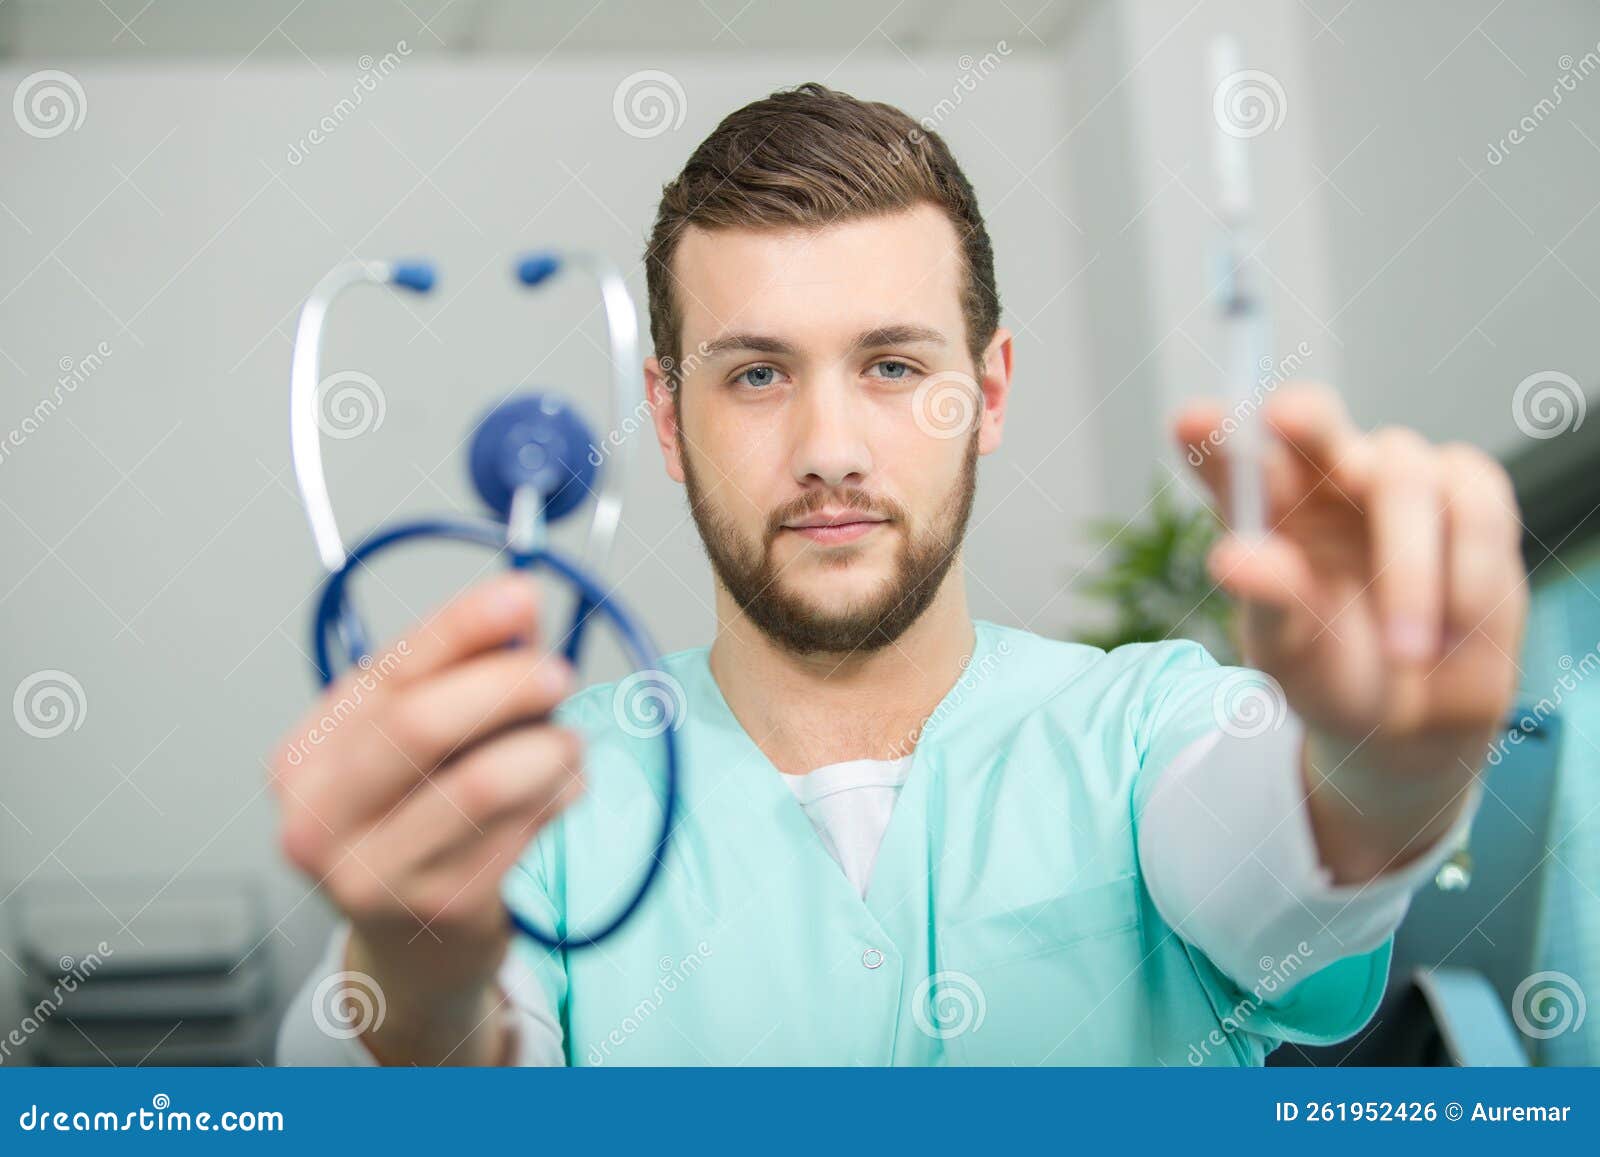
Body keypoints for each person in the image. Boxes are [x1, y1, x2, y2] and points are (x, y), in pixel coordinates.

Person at [273, 83, 1526, 1066]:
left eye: (890, 366)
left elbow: (1285, 853)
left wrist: (1385, 769)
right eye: (755, 373)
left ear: (985, 394)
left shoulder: (1145, 731)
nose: (828, 450)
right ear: (666, 419)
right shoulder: (544, 800)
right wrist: (419, 981)